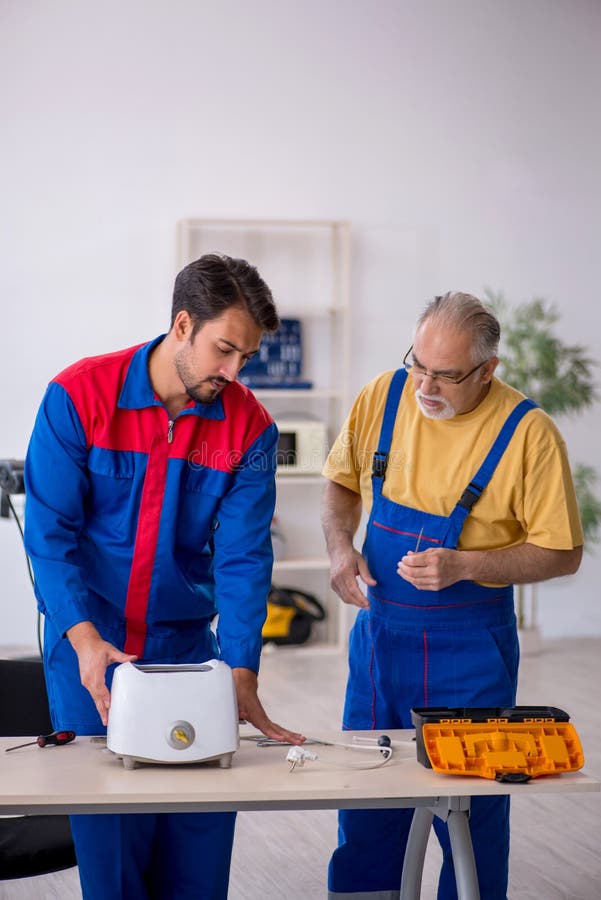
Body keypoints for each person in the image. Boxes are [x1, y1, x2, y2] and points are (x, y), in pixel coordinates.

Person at [24, 253, 305, 900]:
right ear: (182, 325)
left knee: (196, 846)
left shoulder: (251, 428)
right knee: (111, 849)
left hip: (187, 659)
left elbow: (242, 560)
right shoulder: (79, 398)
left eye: (247, 358)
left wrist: (240, 668)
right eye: (224, 351)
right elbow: (50, 536)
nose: (233, 373)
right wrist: (83, 639)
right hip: (90, 649)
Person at [321, 292, 583, 900]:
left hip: (471, 651)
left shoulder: (530, 434)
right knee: (365, 795)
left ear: (489, 369)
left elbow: (563, 552)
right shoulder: (384, 395)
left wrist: (468, 565)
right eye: (419, 364)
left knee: (472, 812)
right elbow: (338, 485)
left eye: (446, 374)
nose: (425, 385)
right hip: (380, 643)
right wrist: (339, 548)